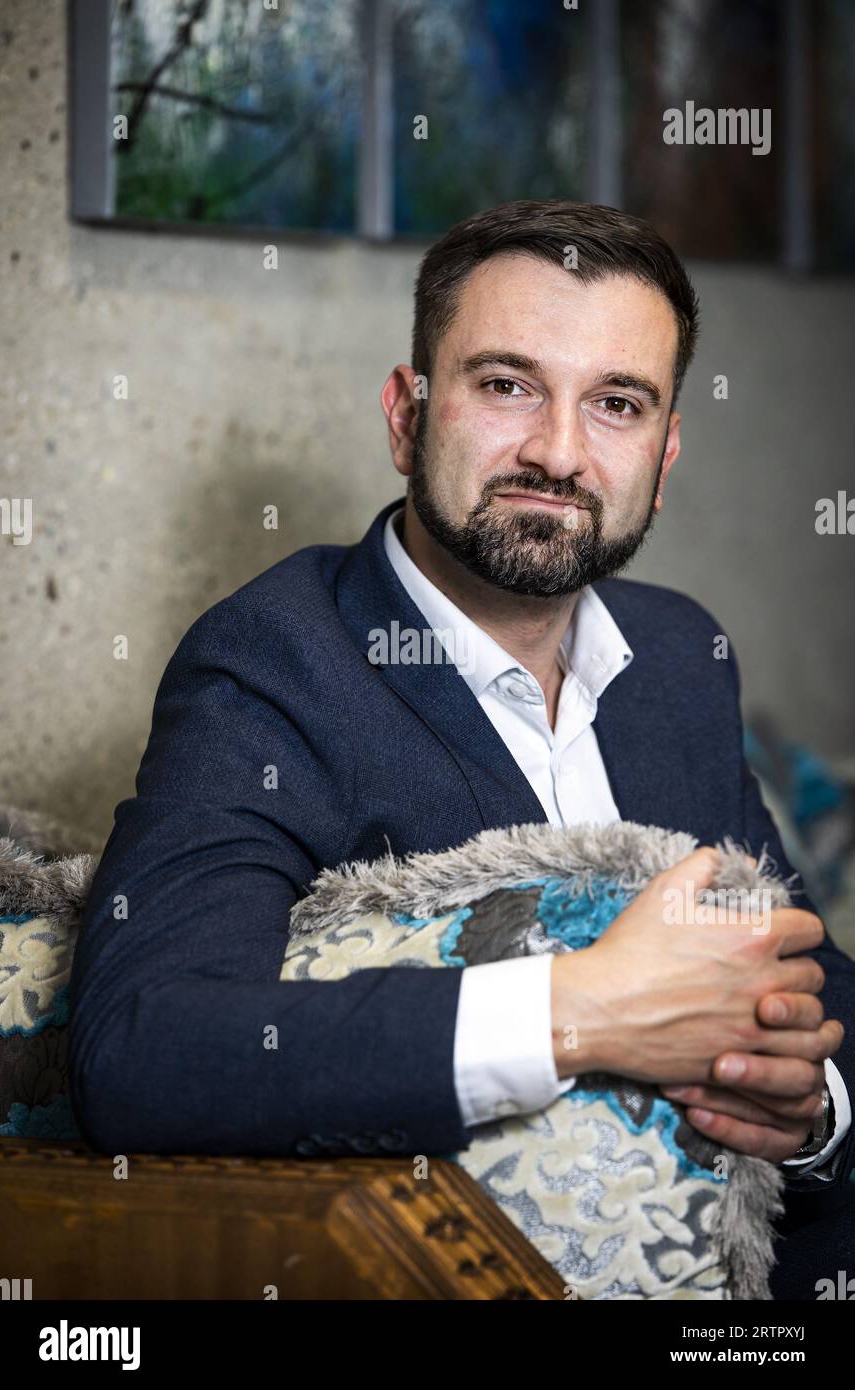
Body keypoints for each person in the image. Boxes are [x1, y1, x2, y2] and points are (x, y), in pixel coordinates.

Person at [69, 200, 854, 1299]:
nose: (557, 451)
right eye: (504, 385)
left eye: (615, 403)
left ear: (664, 456)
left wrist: (811, 1108)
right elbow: (142, 1049)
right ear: (405, 415)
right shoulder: (271, 662)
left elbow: (805, 975)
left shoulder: (680, 654)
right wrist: (583, 1008)